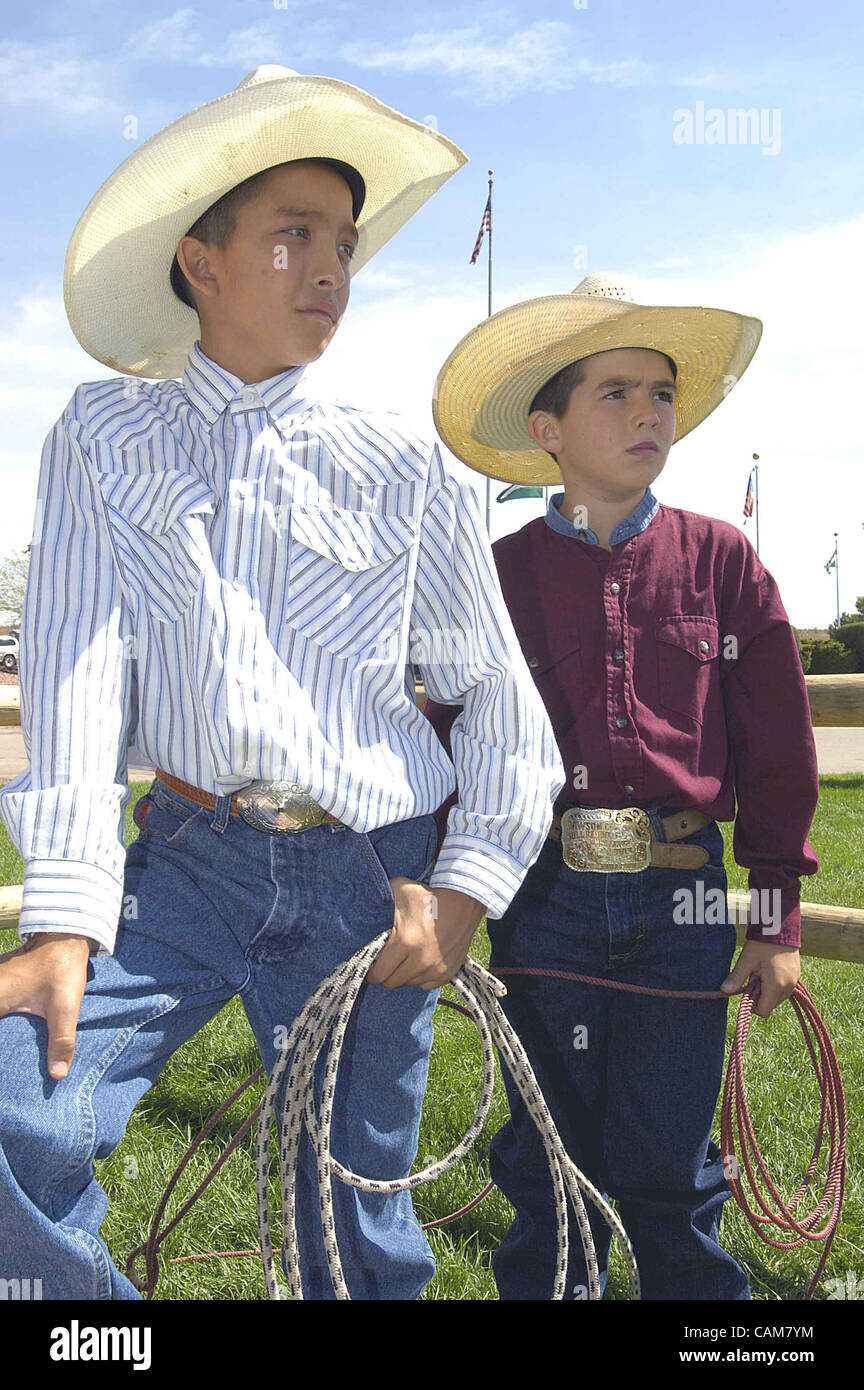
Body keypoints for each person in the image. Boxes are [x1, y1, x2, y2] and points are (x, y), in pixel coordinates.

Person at [0, 65, 565, 1301]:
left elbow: (499, 692)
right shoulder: (103, 438)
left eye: (345, 244)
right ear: (200, 260)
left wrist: (463, 893)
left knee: (350, 1224)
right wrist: (61, 916)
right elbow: (80, 676)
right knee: (16, 1113)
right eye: (292, 235)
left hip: (369, 866)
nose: (331, 270)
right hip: (185, 858)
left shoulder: (401, 459)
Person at [423, 273, 819, 1300]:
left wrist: (774, 921)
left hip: (681, 897)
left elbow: (778, 750)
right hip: (540, 894)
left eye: (662, 393)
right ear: (547, 428)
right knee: (547, 1161)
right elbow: (442, 738)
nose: (649, 412)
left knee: (674, 1164)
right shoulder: (495, 576)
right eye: (618, 392)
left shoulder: (723, 563)